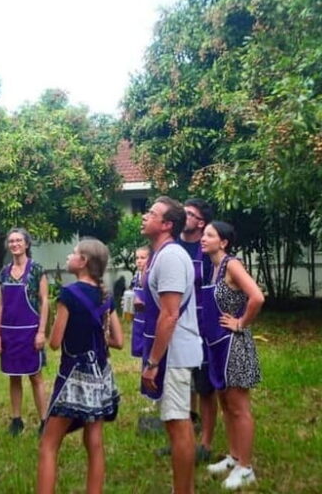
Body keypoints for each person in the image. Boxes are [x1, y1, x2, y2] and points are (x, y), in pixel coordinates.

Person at [37, 239, 123, 494]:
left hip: (73, 377)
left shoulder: (69, 294)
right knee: (94, 442)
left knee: (49, 444)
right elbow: (118, 341)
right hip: (100, 376)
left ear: (83, 262)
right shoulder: (105, 296)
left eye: (73, 253)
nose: (69, 256)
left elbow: (54, 343)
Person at [139, 196, 203, 494]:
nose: (143, 216)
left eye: (151, 213)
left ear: (166, 225)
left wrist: (153, 363)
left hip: (174, 354)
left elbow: (170, 315)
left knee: (178, 424)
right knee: (173, 422)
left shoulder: (171, 257)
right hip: (170, 351)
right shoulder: (161, 254)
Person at [201, 221, 264, 490]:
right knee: (226, 404)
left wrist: (241, 322)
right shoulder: (213, 269)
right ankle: (234, 457)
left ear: (223, 242)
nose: (203, 239)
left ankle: (246, 467)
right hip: (217, 345)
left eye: (209, 235)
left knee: (239, 407)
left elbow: (257, 297)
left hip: (234, 346)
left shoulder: (231, 265)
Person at [0, 228, 49, 435]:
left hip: (30, 331)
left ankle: (45, 421)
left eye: (18, 241)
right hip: (8, 332)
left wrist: (41, 332)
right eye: (11, 241)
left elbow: (44, 302)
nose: (15, 244)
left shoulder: (36, 270)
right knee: (13, 376)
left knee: (35, 376)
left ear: (26, 244)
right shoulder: (4, 272)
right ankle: (16, 420)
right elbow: (0, 303)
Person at [177, 198, 216, 462]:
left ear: (200, 223)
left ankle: (205, 443)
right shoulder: (172, 246)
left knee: (205, 386)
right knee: (180, 383)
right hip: (177, 324)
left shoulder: (208, 251)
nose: (183, 217)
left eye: (189, 214)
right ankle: (185, 439)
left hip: (204, 328)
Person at [130, 245, 150, 358]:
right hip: (138, 320)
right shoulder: (135, 277)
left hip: (149, 320)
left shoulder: (152, 277)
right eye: (137, 258)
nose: (139, 261)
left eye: (142, 258)